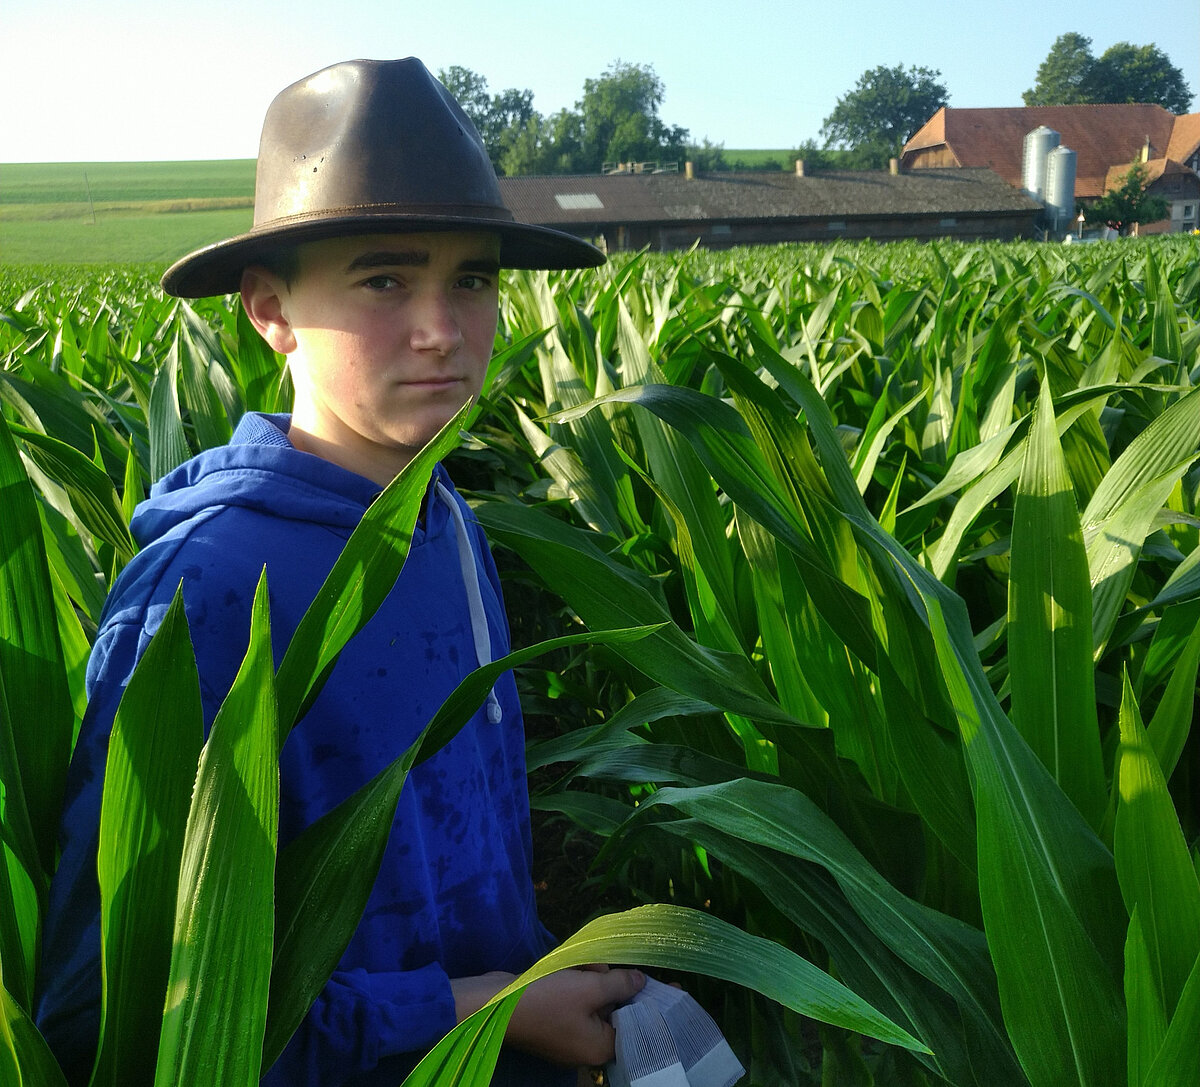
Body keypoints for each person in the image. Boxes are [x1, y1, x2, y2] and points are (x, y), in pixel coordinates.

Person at [35, 57, 644, 1086]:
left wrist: (532, 989)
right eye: (384, 280)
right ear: (270, 310)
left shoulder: (450, 524)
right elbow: (114, 1012)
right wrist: (474, 1013)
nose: (442, 331)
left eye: (474, 280)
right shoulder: (202, 591)